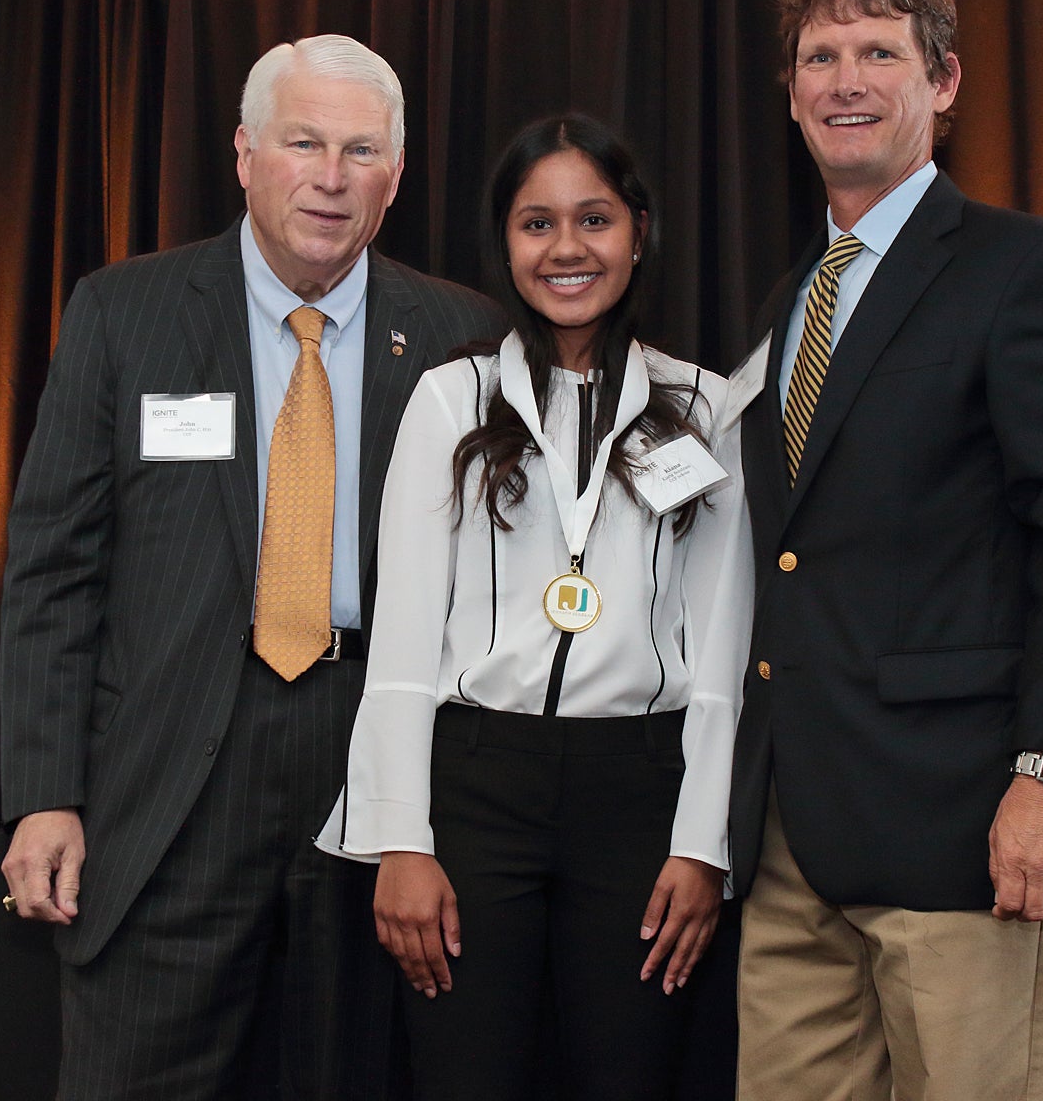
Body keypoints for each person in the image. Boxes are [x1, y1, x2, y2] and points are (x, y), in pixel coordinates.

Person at [0, 34, 502, 1100]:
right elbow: (52, 571)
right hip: (171, 778)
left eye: (360, 150)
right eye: (303, 142)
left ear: (396, 175)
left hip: (376, 775)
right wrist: (44, 795)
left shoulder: (464, 339)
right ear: (243, 153)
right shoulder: (123, 314)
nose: (329, 176)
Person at [726, 0, 1043, 1101]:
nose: (844, 78)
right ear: (793, 88)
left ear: (945, 82)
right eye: (821, 55)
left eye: (878, 51)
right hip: (790, 842)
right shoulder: (789, 300)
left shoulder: (1025, 270)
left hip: (966, 833)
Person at [317, 114, 753, 1101]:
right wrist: (401, 839)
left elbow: (723, 650)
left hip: (641, 791)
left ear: (638, 231)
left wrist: (702, 844)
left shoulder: (706, 407)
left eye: (594, 219)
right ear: (505, 243)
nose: (567, 248)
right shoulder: (450, 398)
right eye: (537, 223)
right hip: (475, 788)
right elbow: (402, 642)